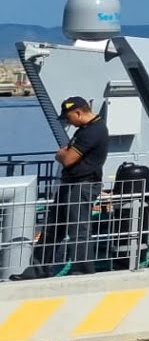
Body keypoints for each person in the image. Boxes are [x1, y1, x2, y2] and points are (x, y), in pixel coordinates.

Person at [14, 96, 108, 279]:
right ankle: (38, 270)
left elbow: (67, 158)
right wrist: (65, 152)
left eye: (68, 117)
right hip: (70, 185)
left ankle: (83, 270)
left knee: (78, 230)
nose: (67, 121)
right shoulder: (85, 130)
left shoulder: (93, 131)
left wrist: (61, 154)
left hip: (82, 186)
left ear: (78, 112)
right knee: (52, 228)